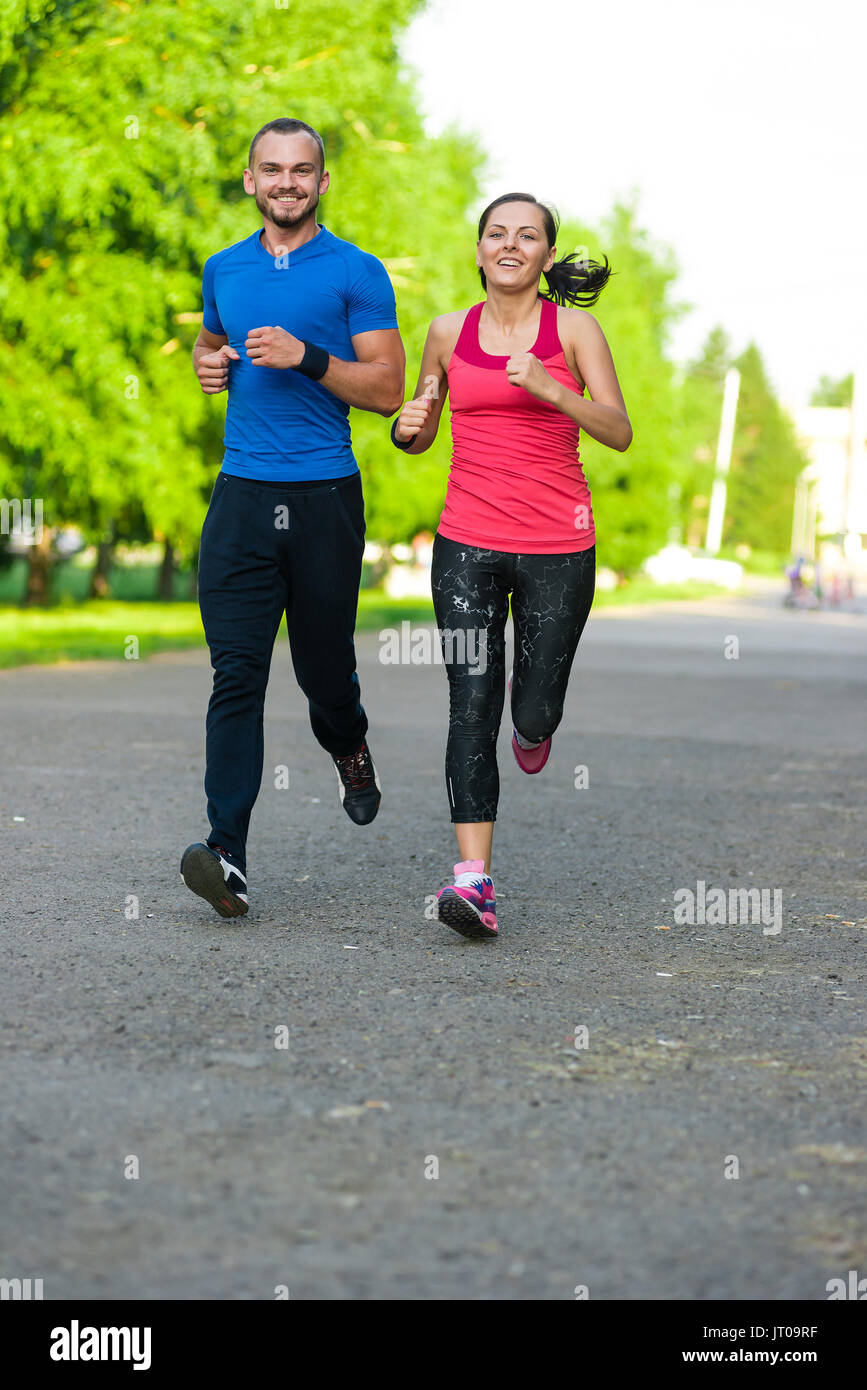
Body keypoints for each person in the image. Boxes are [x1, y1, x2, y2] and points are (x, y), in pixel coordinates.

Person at [181, 118, 405, 919]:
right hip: (240, 497)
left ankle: (348, 743)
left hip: (322, 499)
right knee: (235, 674)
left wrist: (308, 356)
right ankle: (227, 855)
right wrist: (210, 365)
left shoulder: (356, 272)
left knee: (320, 674)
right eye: (271, 170)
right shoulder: (224, 268)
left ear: (321, 182)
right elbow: (213, 343)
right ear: (249, 181)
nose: (286, 182)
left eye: (301, 170)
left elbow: (386, 391)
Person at [392, 193, 631, 938]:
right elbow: (421, 426)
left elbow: (618, 430)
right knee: (470, 705)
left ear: (546, 258)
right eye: (496, 233)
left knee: (529, 712)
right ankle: (473, 883)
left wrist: (553, 389)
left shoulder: (575, 329)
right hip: (466, 541)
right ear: (477, 250)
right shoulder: (444, 332)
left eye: (526, 236)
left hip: (560, 544)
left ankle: (535, 728)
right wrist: (408, 428)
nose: (509, 244)